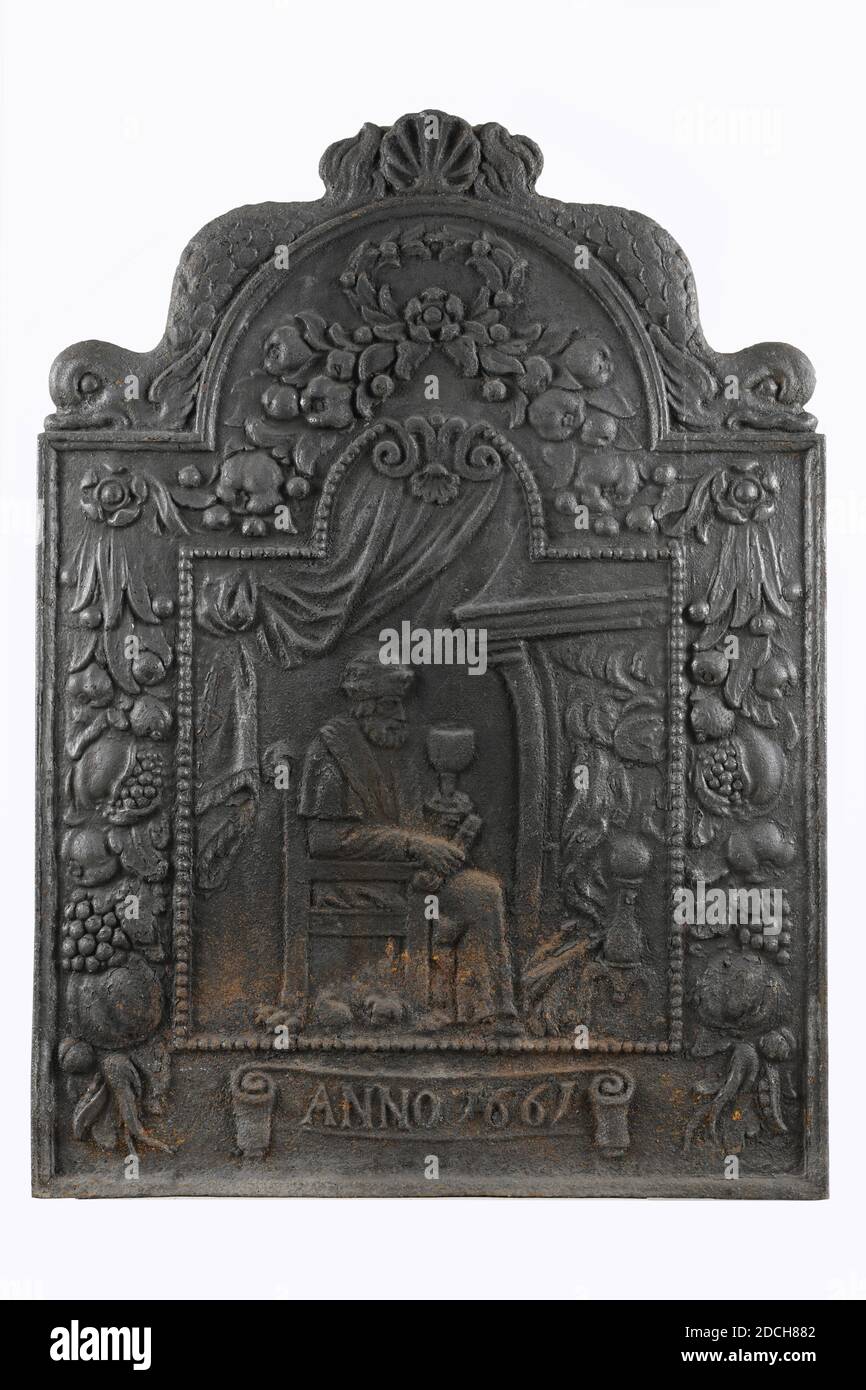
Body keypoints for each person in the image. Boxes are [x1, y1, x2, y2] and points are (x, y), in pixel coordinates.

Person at [298, 649, 520, 1032]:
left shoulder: (385, 749)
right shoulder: (332, 753)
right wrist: (415, 845)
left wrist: (441, 829)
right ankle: (434, 1004)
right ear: (365, 705)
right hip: (356, 884)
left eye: (400, 704)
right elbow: (323, 840)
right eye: (391, 705)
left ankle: (483, 1015)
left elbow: (399, 823)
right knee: (477, 896)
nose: (402, 715)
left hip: (400, 874)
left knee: (484, 892)